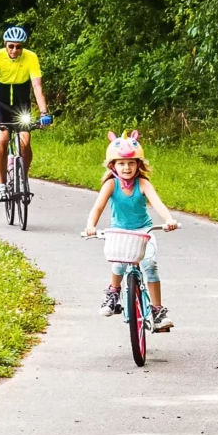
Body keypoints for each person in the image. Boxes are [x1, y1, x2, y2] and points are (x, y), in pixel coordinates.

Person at [82, 133, 179, 331]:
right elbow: (98, 208)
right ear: (113, 166)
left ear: (138, 165)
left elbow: (157, 203)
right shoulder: (111, 184)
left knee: (150, 265)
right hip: (119, 231)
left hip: (144, 230)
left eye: (131, 163)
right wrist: (90, 225)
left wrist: (168, 220)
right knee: (118, 264)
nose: (127, 168)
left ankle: (157, 310)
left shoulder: (143, 183)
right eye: (121, 163)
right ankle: (113, 293)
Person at [0, 25, 51, 197]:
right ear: (5, 44)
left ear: (23, 46)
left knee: (25, 141)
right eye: (11, 46)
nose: (14, 50)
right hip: (0, 104)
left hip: (21, 106)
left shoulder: (31, 58)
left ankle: (23, 178)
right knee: (3, 139)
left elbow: (37, 87)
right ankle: (0, 185)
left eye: (19, 47)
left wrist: (44, 113)